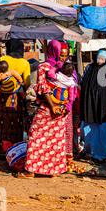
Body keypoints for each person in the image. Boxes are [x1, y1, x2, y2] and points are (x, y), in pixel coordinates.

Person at [20, 40, 70, 178]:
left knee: (36, 135)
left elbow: (43, 88)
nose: (63, 58)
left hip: (49, 108)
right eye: (61, 54)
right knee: (55, 139)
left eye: (64, 55)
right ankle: (52, 170)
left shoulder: (44, 67)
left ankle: (31, 170)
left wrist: (53, 106)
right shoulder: (65, 67)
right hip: (61, 108)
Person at [0, 39, 30, 159]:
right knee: (15, 123)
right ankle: (14, 151)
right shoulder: (24, 63)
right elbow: (27, 82)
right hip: (15, 99)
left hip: (1, 98)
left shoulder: (3, 59)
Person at [80, 49, 106, 163]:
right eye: (98, 58)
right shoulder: (89, 68)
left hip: (103, 107)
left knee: (103, 131)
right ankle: (89, 151)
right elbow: (83, 84)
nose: (100, 60)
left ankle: (101, 155)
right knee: (89, 129)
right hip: (89, 104)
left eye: (102, 58)